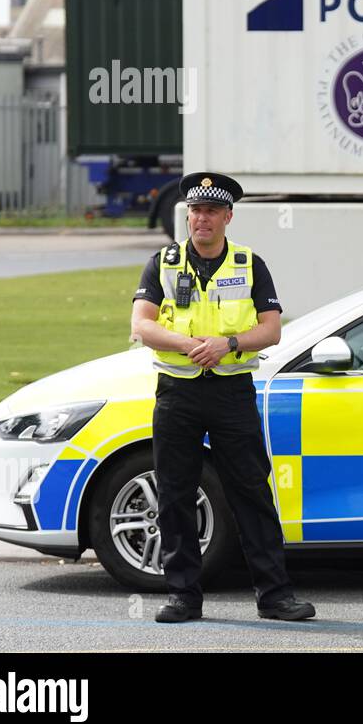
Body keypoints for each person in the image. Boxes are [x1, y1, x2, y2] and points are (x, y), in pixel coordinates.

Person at [130, 172, 315, 623]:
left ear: (228, 216)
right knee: (174, 494)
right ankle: (183, 596)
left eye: (212, 211)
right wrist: (188, 345)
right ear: (187, 215)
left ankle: (275, 596)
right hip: (178, 392)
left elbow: (272, 330)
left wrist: (227, 345)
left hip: (231, 391)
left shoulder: (250, 264)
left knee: (251, 491)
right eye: (195, 210)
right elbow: (141, 324)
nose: (202, 219)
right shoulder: (164, 262)